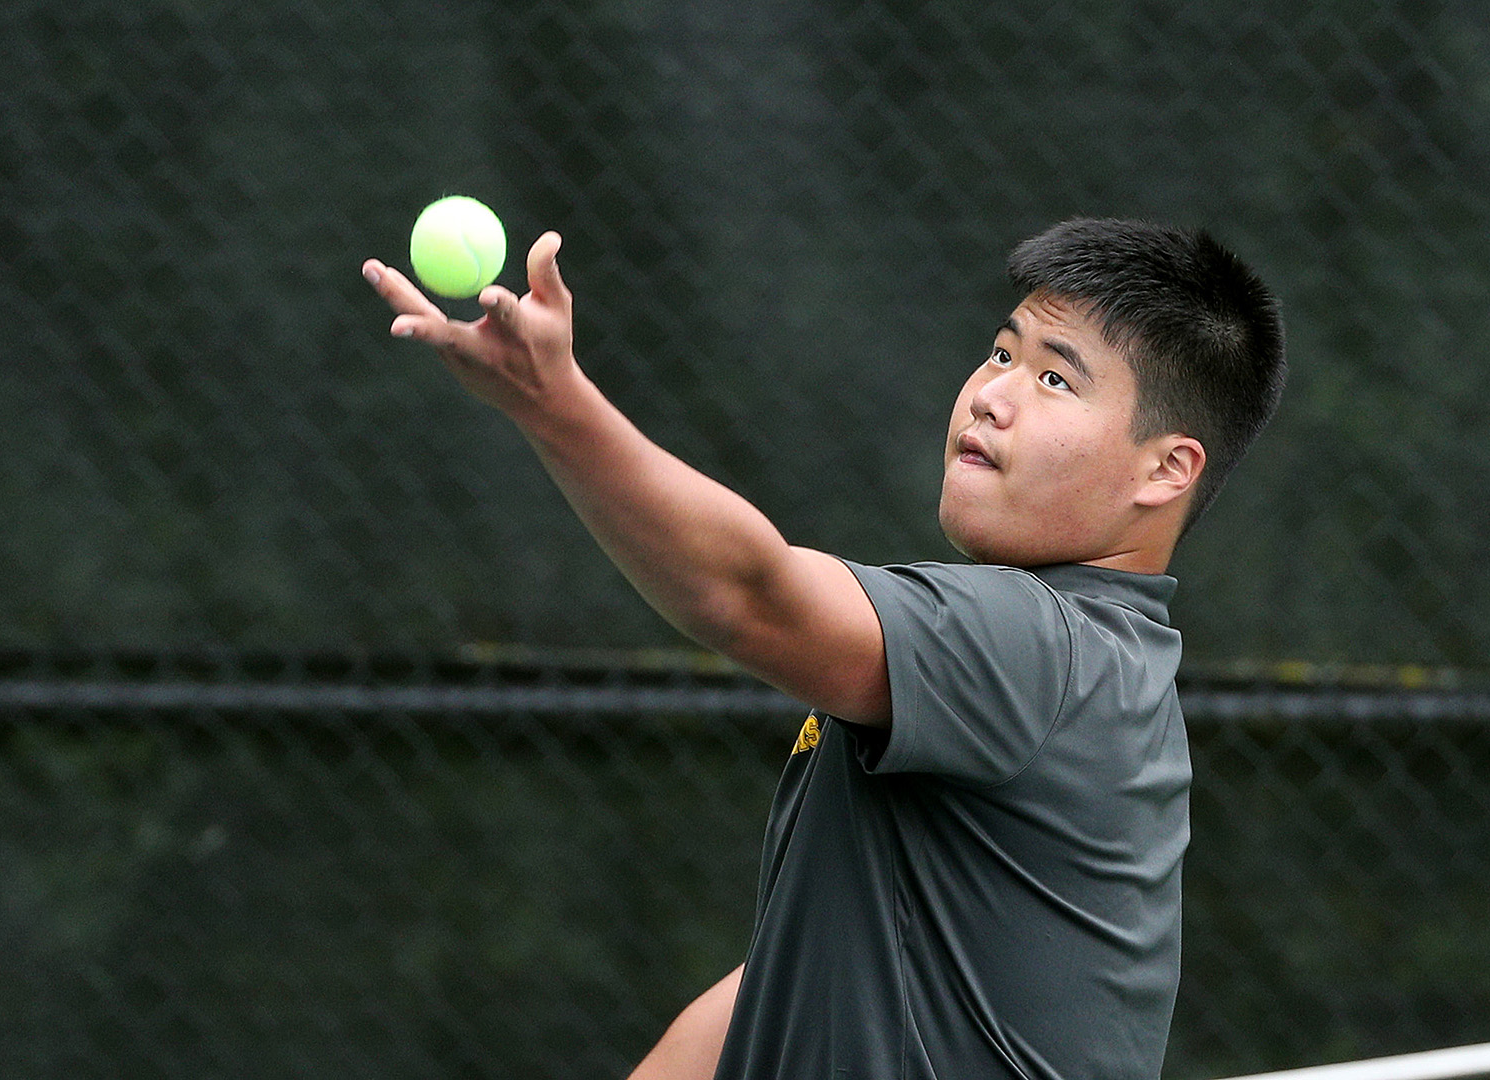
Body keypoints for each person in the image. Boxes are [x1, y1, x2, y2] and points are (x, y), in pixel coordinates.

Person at [362, 217, 1285, 1080]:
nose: (992, 395)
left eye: (1054, 379)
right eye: (1001, 352)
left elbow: (746, 594)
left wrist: (556, 406)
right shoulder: (1069, 658)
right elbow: (793, 969)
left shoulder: (1046, 647)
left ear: (1167, 468)